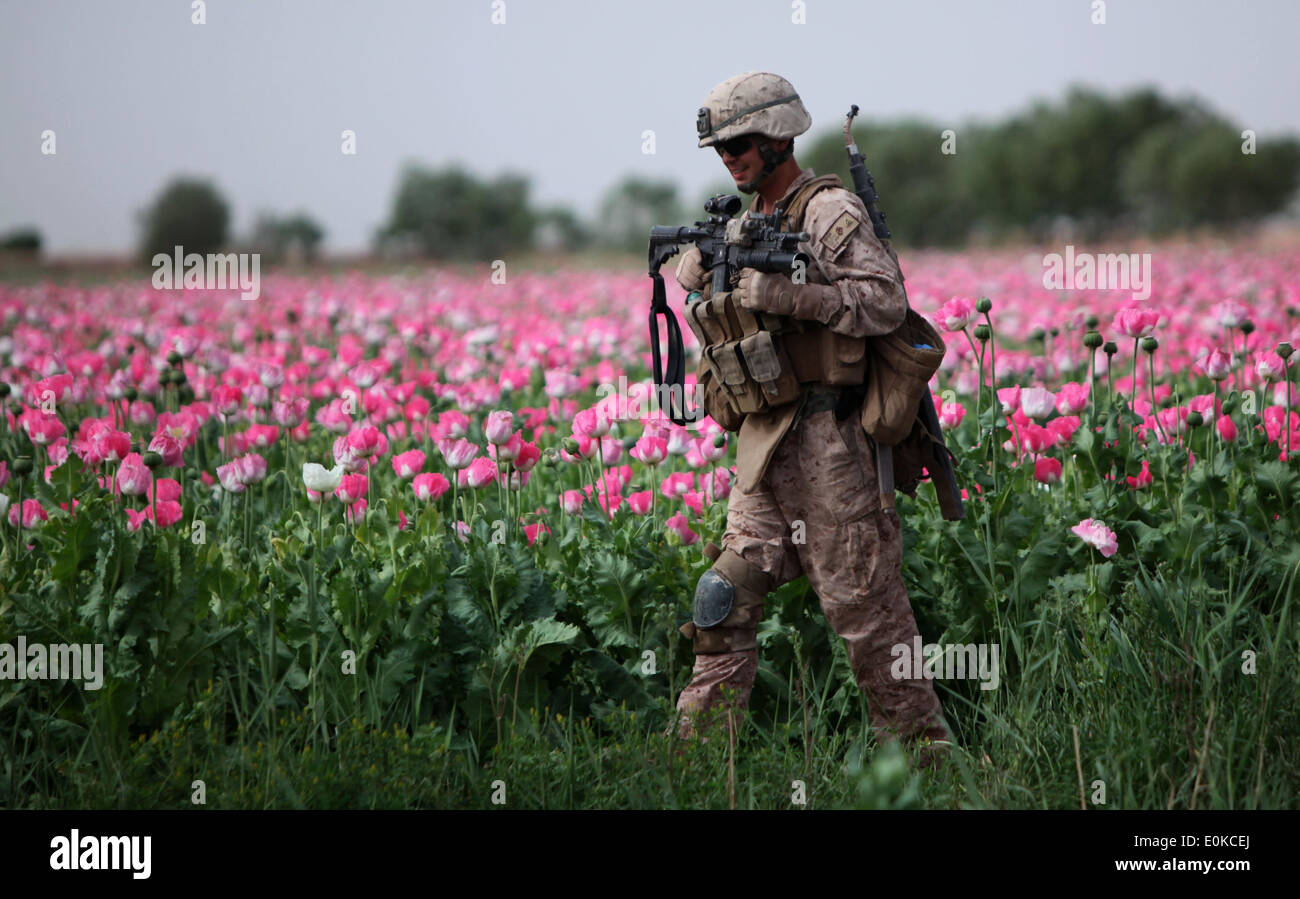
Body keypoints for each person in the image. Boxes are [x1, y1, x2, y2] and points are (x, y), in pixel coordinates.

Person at [671, 71, 953, 767]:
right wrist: (701, 272)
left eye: (739, 143)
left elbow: (885, 302)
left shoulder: (831, 212)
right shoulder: (743, 221)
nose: (730, 157)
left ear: (778, 136)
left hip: (833, 444)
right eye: (721, 148)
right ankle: (706, 769)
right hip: (765, 442)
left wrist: (792, 296)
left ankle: (928, 767)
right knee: (721, 596)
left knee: (868, 618)